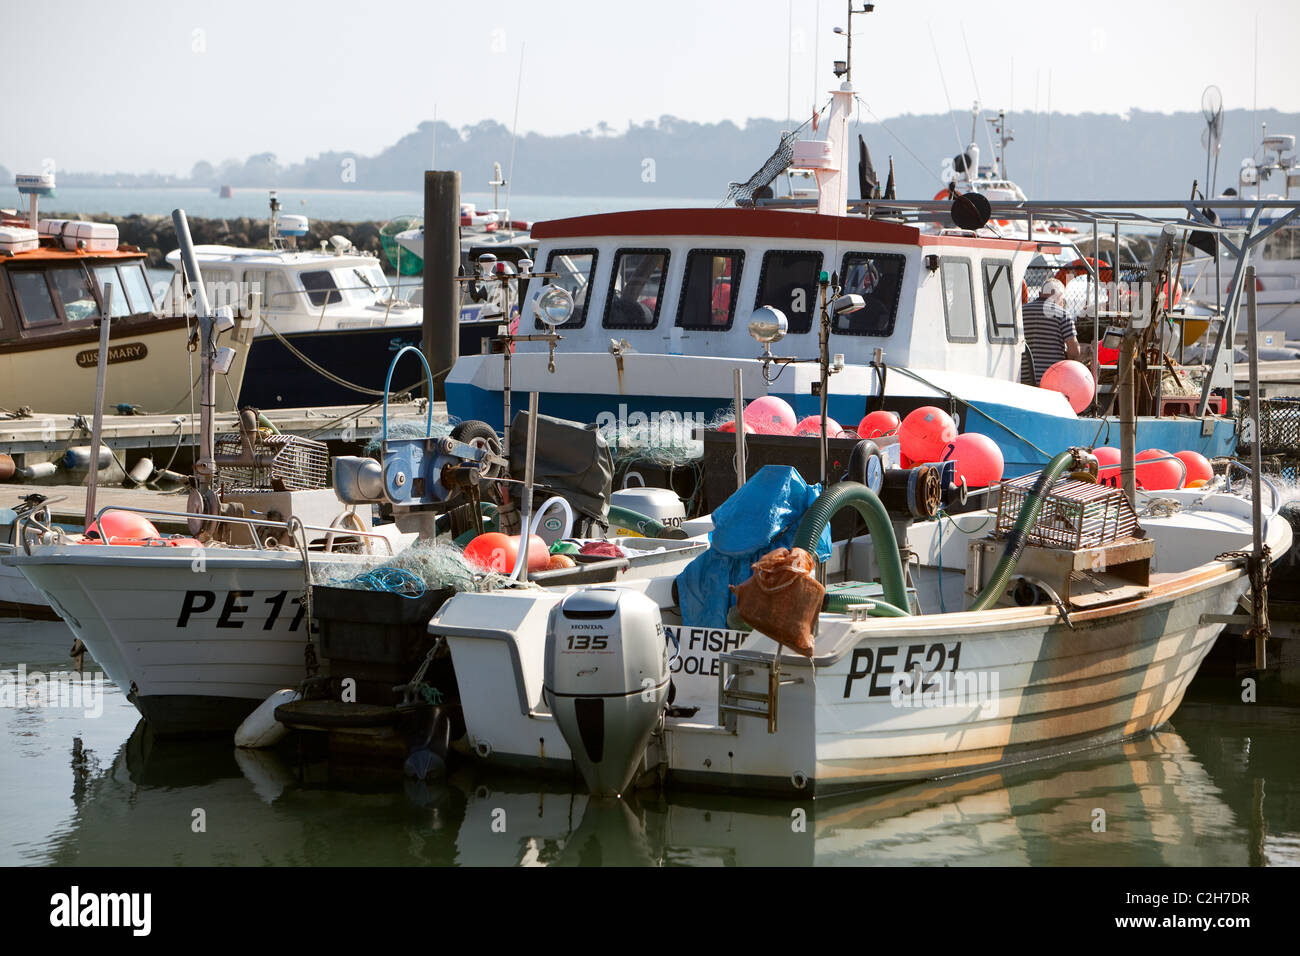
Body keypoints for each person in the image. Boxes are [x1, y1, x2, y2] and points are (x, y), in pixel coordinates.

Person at [1020, 278, 1081, 385]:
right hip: (1051, 378)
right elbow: (1074, 351)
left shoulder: (1021, 312)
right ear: (1059, 297)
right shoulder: (1062, 314)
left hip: (1022, 377)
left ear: (1040, 293)